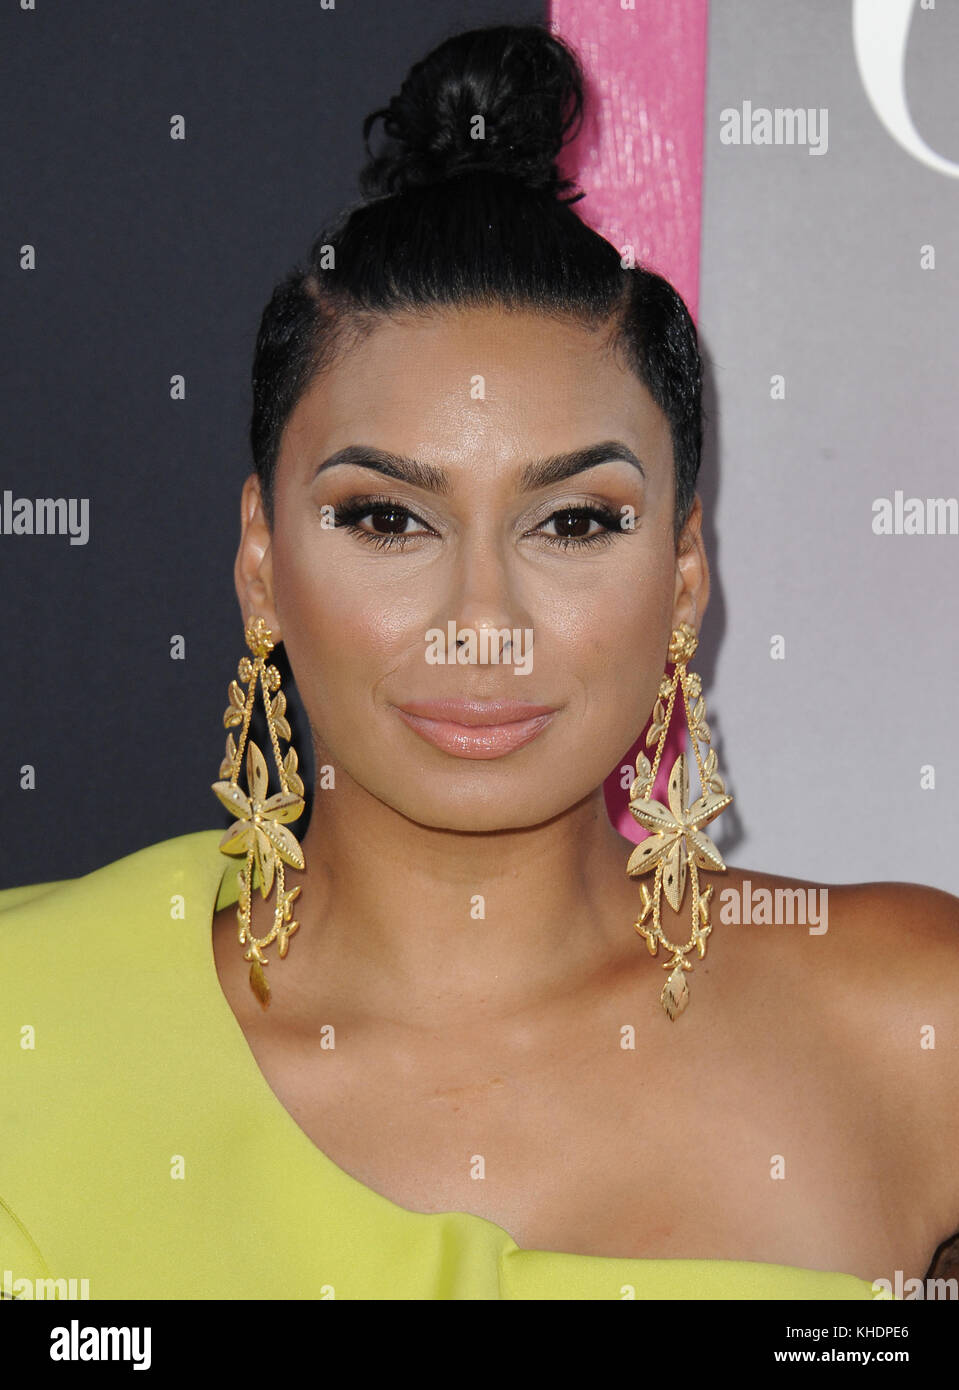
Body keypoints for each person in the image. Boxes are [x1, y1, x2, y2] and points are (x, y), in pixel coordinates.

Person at [1, 21, 957, 1303]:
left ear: (682, 571)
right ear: (258, 559)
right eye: (386, 518)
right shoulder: (33, 1028)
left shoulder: (911, 1024)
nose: (479, 619)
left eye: (572, 522)